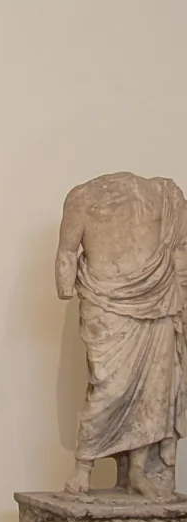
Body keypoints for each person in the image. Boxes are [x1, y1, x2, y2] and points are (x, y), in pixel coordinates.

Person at [57, 171, 187, 499]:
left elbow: (181, 250)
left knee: (152, 391)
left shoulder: (165, 195)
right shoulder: (82, 197)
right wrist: (65, 283)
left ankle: (138, 471)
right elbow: (67, 252)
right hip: (105, 300)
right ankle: (83, 465)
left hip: (157, 299)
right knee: (108, 387)